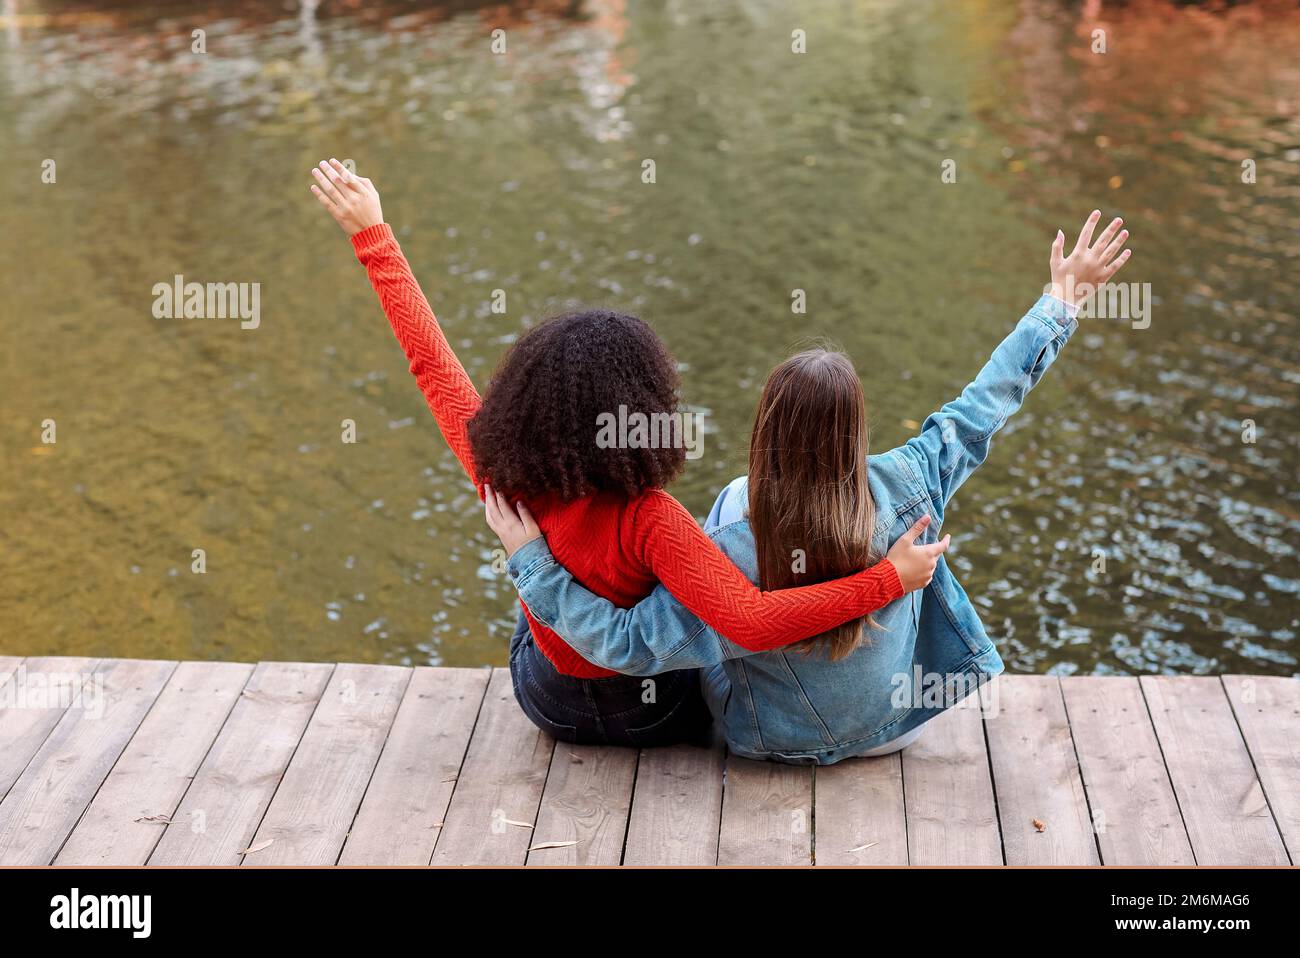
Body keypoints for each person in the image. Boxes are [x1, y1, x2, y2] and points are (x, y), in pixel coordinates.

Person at [309, 158, 948, 747]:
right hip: (653, 717)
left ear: (525, 401)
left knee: (529, 582)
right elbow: (750, 624)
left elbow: (431, 364)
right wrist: (889, 579)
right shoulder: (653, 518)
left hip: (551, 707)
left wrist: (374, 236)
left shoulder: (500, 480)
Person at [484, 211, 1132, 764]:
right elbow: (986, 402)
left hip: (769, 743)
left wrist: (536, 566)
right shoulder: (913, 476)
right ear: (857, 427)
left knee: (676, 635)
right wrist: (1061, 301)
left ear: (765, 427)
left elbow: (626, 644)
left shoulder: (734, 530)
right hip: (893, 731)